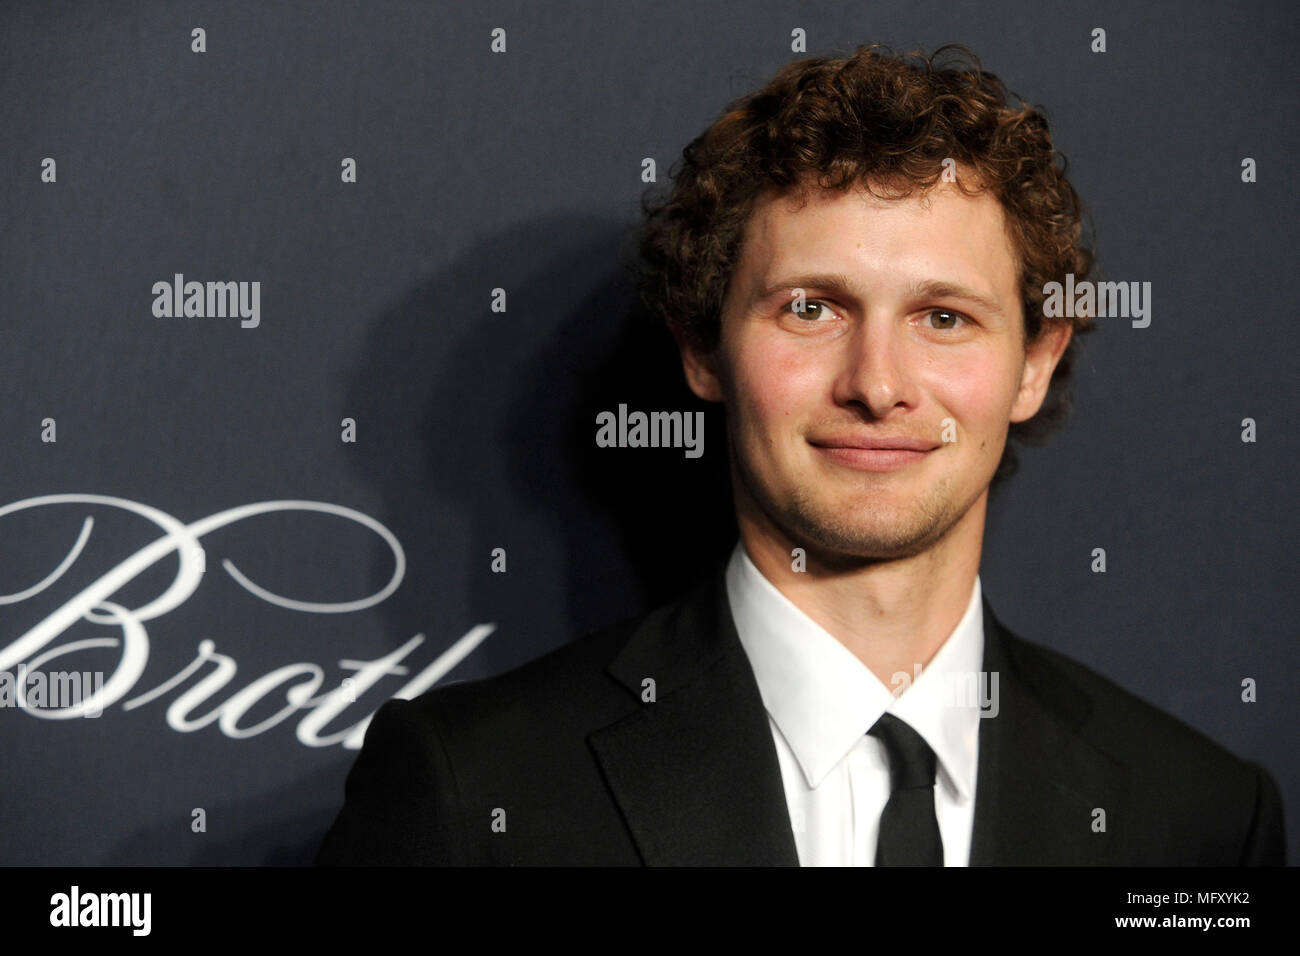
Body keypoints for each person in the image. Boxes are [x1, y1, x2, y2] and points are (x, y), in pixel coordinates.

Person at [314, 44, 1285, 866]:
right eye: (811, 308)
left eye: (943, 316)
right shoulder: (474, 794)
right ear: (702, 345)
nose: (878, 381)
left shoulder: (1193, 816)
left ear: (1033, 363)